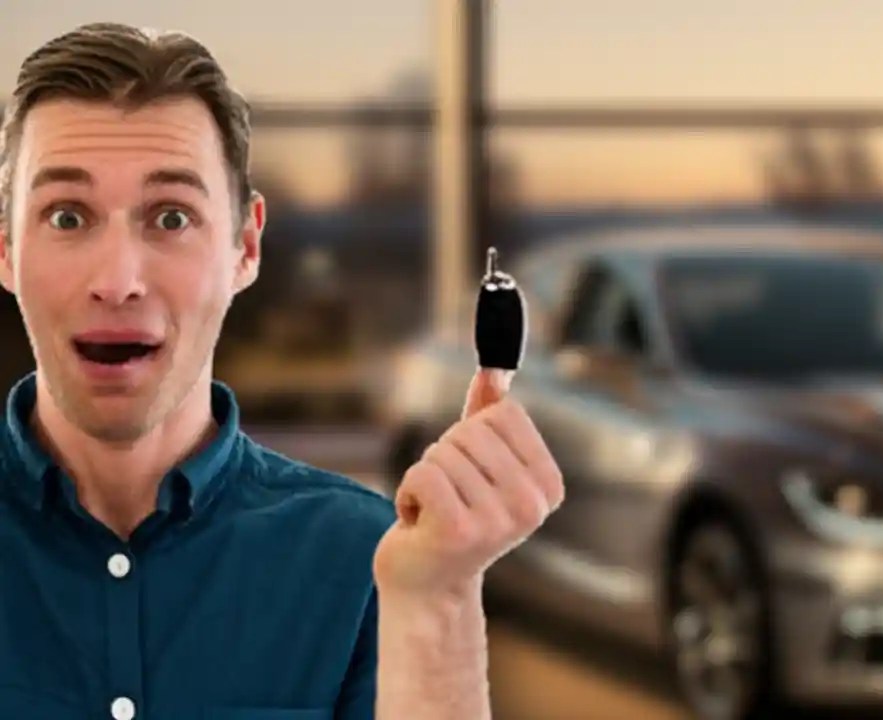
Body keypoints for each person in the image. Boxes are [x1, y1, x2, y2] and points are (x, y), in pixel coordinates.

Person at [0, 21, 563, 719]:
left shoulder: (366, 560)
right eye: (65, 217)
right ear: (5, 250)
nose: (117, 280)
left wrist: (438, 605)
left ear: (245, 246)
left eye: (171, 218)